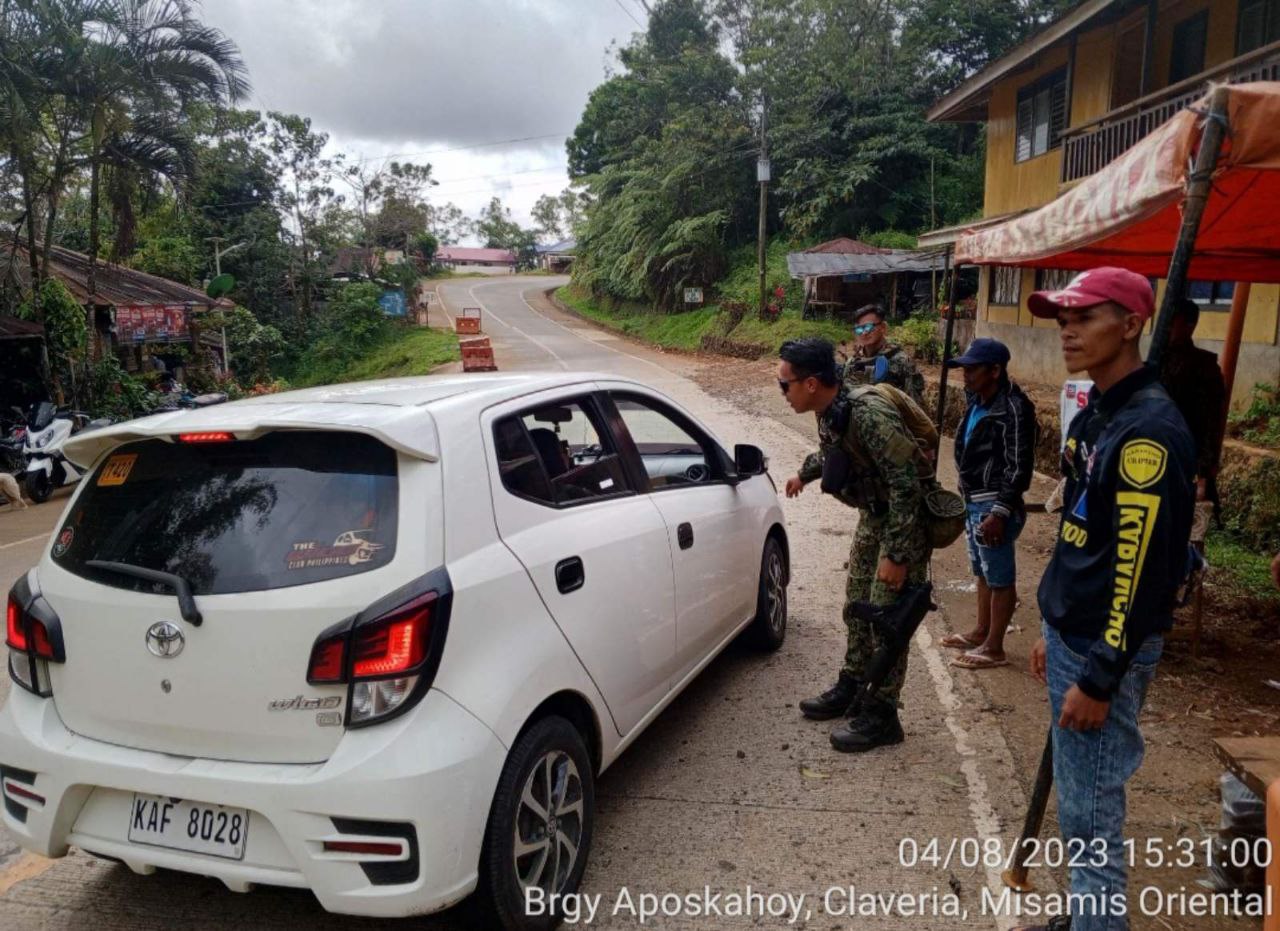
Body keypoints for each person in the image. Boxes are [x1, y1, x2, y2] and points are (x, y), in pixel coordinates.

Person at [1019, 268, 1195, 931]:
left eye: (1085, 316)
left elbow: (1143, 572)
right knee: (1080, 809)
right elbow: (1081, 536)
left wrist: (1097, 674)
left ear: (1130, 324)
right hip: (1074, 632)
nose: (1068, 329)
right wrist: (1050, 624)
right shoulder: (1099, 411)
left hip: (1103, 647)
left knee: (1092, 825)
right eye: (1062, 316)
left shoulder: (1147, 431)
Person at [779, 338, 931, 752]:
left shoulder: (870, 414)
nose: (783, 394)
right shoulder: (832, 411)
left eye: (785, 385)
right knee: (857, 606)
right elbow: (835, 454)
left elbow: (907, 483)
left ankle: (883, 714)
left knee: (888, 619)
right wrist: (804, 474)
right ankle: (853, 684)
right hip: (873, 516)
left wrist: (898, 554)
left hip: (901, 522)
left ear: (810, 383)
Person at [938, 338, 1035, 670]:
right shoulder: (978, 400)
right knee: (982, 571)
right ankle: (981, 631)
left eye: (972, 368)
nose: (965, 375)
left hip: (993, 505)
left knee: (999, 576)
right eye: (964, 368)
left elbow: (1019, 466)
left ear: (995, 371)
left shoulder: (1013, 409)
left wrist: (1000, 512)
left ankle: (995, 647)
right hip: (974, 501)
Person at [1160, 297, 1227, 543]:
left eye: (1172, 322)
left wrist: (1202, 476)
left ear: (1189, 325)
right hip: (1156, 456)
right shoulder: (1156, 359)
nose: (1166, 327)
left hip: (1187, 461)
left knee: (1187, 538)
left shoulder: (1204, 367)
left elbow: (1211, 425)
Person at [842, 303, 926, 408]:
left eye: (869, 327)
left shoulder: (902, 361)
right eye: (859, 329)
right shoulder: (852, 363)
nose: (864, 333)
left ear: (883, 327)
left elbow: (915, 407)